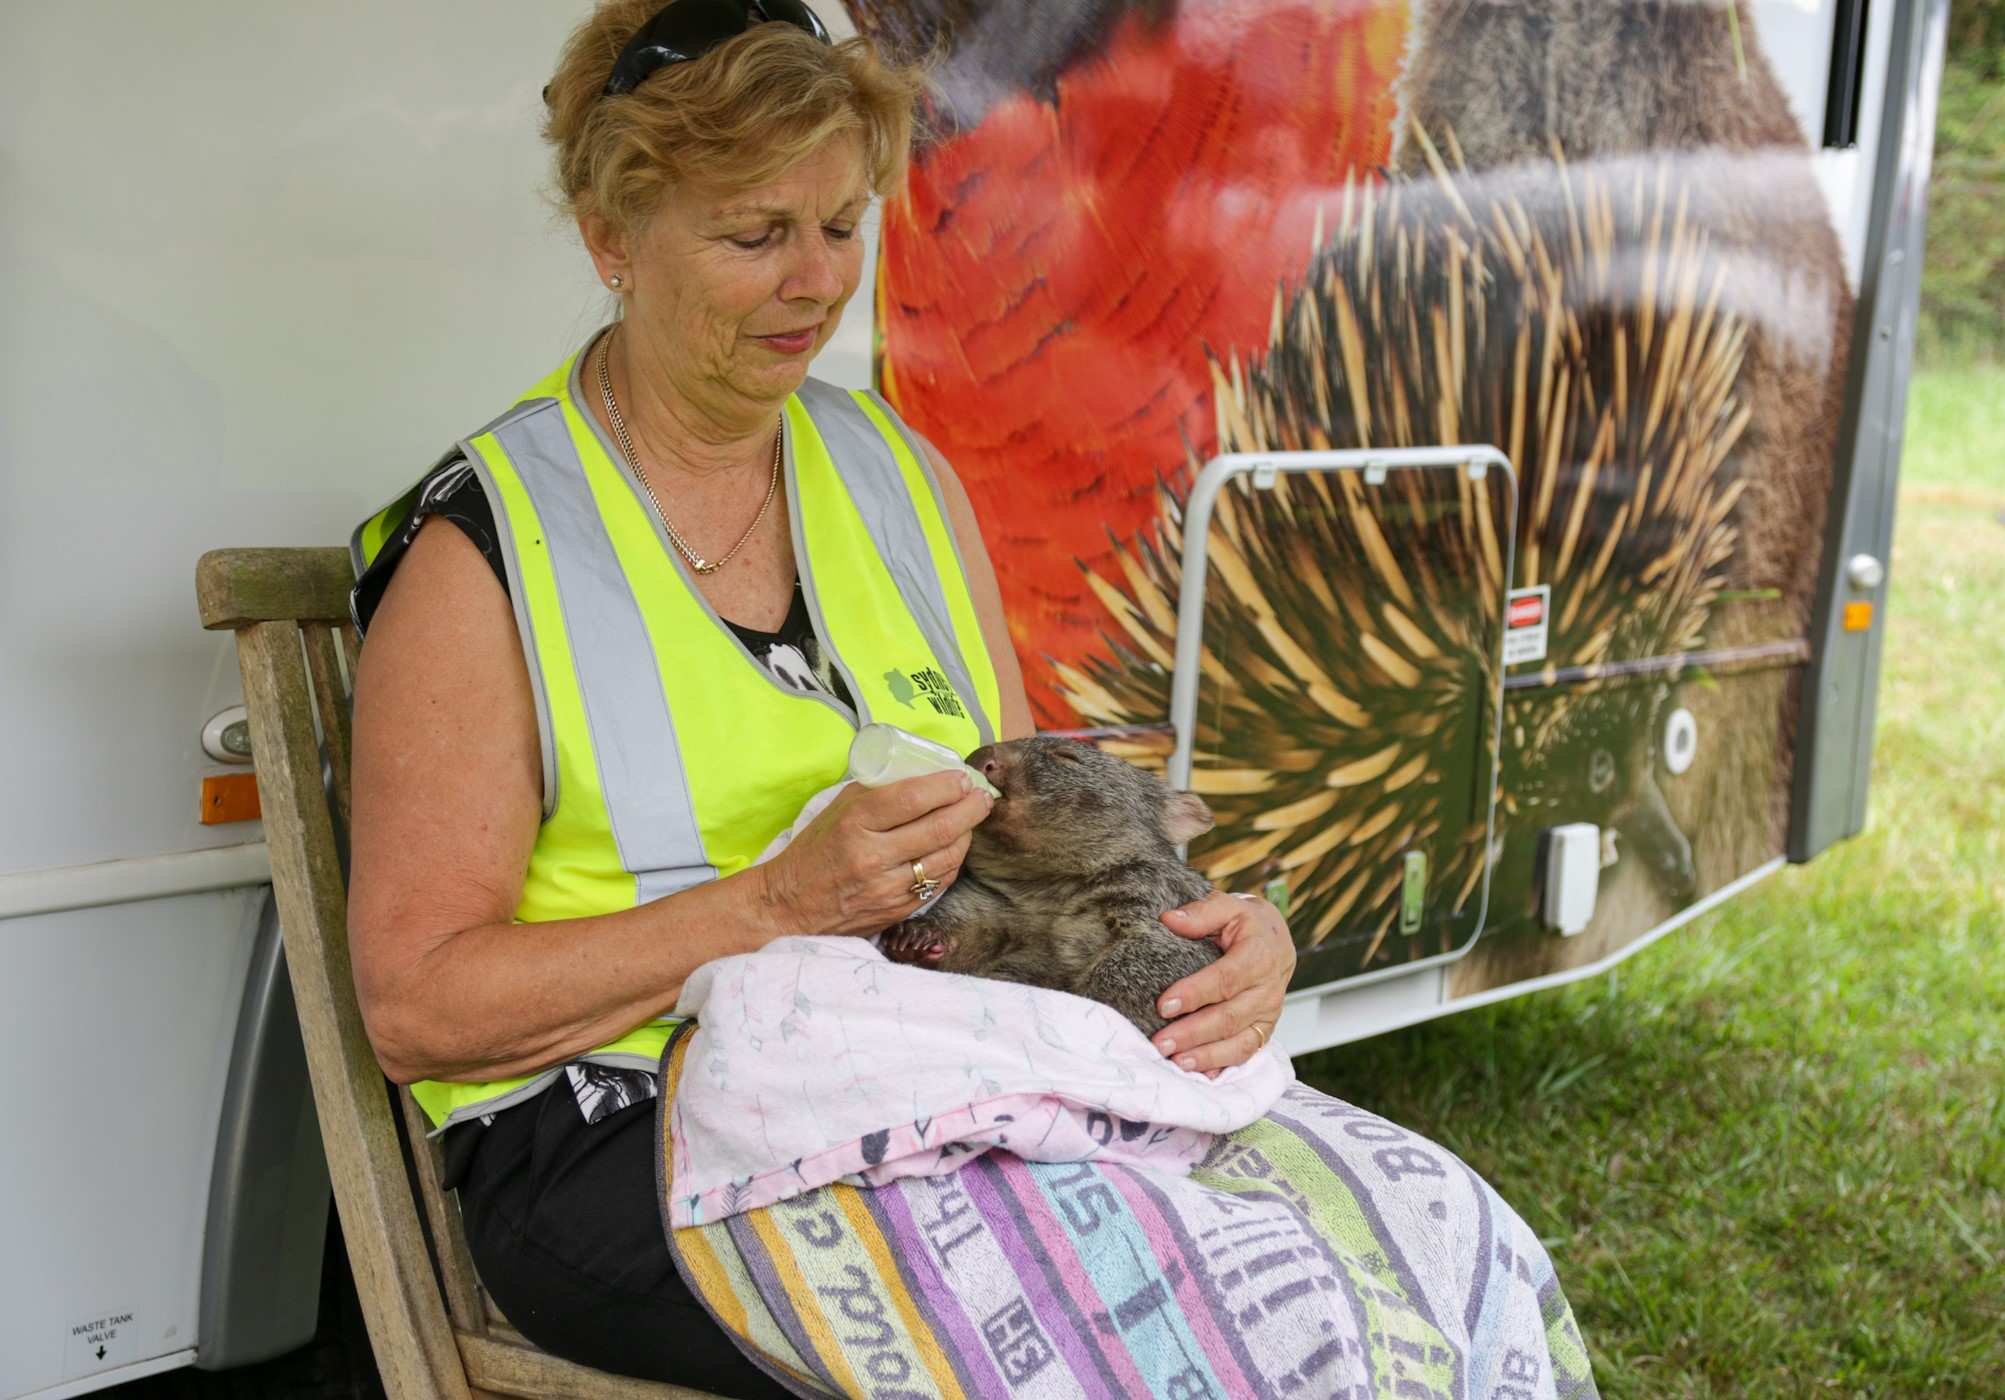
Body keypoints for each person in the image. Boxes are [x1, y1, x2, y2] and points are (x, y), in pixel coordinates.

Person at [343, 2, 1297, 1393]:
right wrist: (775, 909)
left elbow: (1034, 840)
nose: (815, 283)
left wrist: (1216, 941)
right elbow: (418, 1009)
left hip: (930, 1078)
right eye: (754, 236)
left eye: (842, 227)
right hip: (628, 1131)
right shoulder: (484, 549)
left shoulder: (900, 477)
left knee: (1335, 1239)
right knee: (1097, 1323)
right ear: (614, 243)